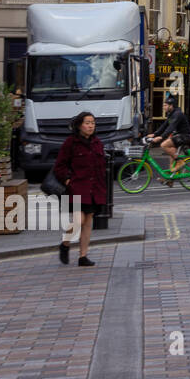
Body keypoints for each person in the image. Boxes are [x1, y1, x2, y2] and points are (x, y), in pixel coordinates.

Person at [53, 111, 108, 267]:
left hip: (93, 189)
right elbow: (60, 166)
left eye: (93, 123)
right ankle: (65, 244)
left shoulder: (97, 143)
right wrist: (68, 180)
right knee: (79, 221)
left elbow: (101, 166)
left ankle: (83, 256)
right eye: (87, 123)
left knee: (88, 221)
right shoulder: (70, 143)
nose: (91, 126)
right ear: (79, 125)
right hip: (76, 188)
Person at [148, 94, 190, 176]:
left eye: (165, 105)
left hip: (185, 136)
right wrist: (154, 134)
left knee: (164, 145)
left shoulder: (177, 114)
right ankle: (170, 178)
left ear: (171, 106)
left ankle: (180, 162)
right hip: (179, 135)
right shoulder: (171, 114)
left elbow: (171, 127)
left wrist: (161, 137)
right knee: (171, 152)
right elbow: (164, 126)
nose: (163, 107)